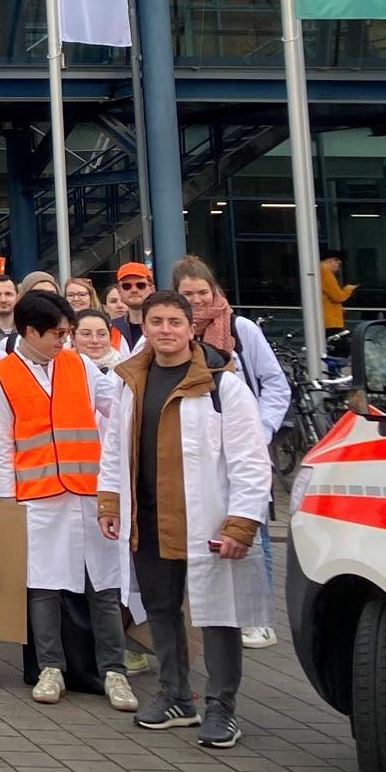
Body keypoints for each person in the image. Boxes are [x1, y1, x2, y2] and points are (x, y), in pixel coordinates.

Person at [98, 289, 271, 748]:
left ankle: (222, 707)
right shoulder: (130, 380)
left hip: (206, 520)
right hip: (150, 518)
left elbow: (251, 461)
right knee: (160, 609)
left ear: (190, 327)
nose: (165, 331)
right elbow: (115, 447)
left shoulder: (221, 385)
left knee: (219, 615)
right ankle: (176, 696)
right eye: (157, 322)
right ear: (146, 327)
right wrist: (110, 501)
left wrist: (240, 524)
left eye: (175, 322)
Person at [0, 289, 136, 710]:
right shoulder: (0, 374)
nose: (65, 341)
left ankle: (114, 672)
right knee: (43, 585)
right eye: (58, 333)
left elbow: (116, 406)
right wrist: (8, 500)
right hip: (38, 496)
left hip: (88, 493)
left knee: (103, 585)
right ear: (30, 331)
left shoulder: (81, 365)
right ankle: (50, 667)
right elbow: (0, 441)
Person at [168, 255, 289, 649]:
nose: (198, 301)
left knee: (250, 528)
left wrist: (261, 429)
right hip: (192, 449)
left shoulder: (241, 329)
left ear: (215, 290)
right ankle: (207, 616)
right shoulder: (170, 332)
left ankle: (258, 618)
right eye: (188, 294)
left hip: (239, 441)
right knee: (202, 533)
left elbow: (275, 383)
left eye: (203, 292)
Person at [319, 249, 353, 341]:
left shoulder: (318, 270)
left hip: (324, 319)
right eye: (338, 263)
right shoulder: (325, 271)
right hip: (331, 322)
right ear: (331, 261)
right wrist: (348, 289)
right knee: (339, 348)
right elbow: (338, 297)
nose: (338, 267)